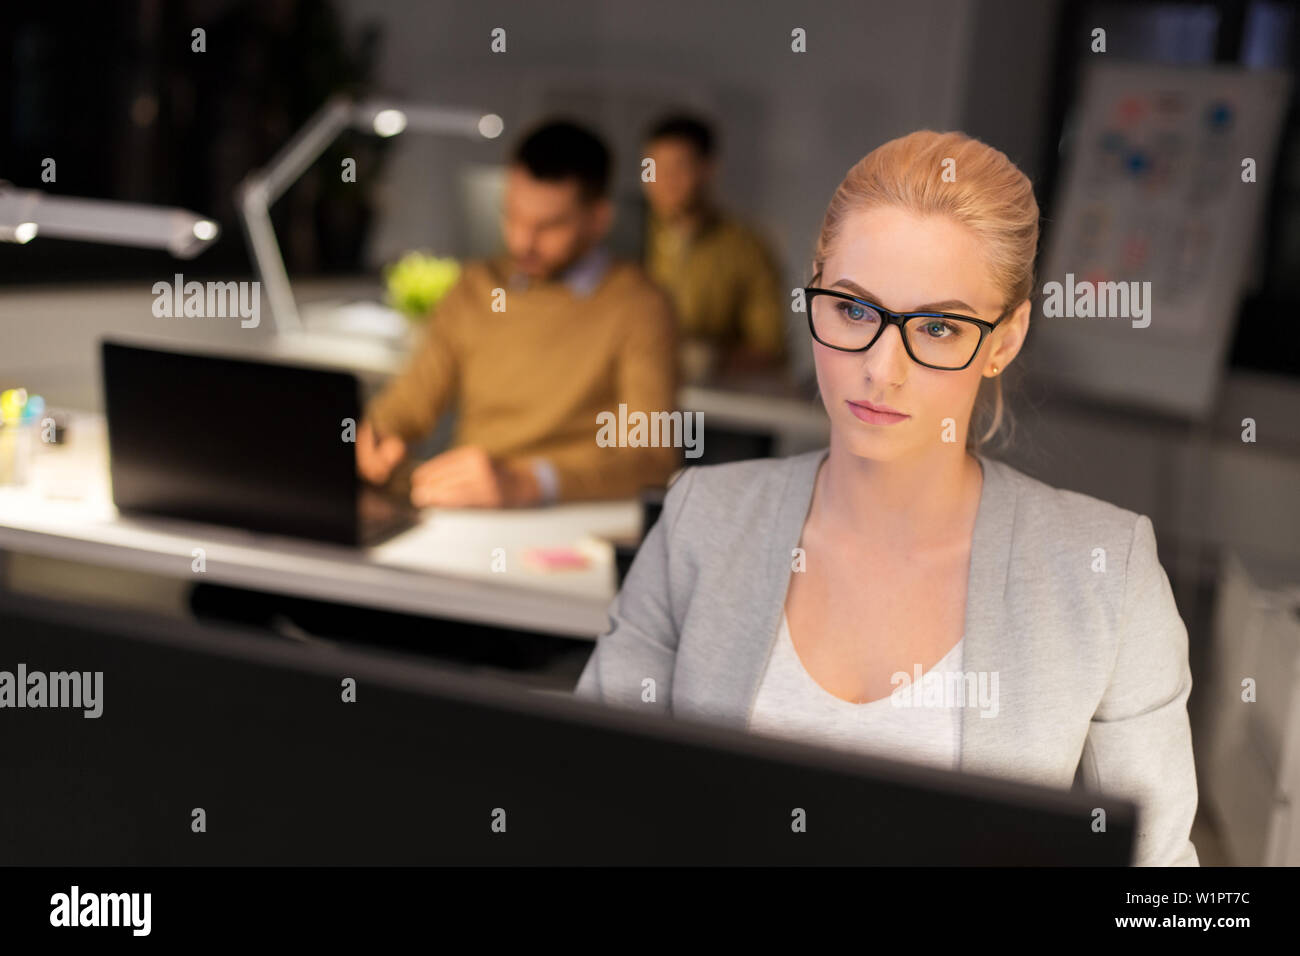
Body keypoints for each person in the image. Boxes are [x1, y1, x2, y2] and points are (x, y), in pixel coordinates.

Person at [576, 130, 1199, 867]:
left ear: (1004, 339)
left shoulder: (1107, 575)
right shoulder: (701, 521)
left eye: (938, 327)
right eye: (854, 310)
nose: (881, 368)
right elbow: (584, 806)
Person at [357, 119, 680, 506]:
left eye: (550, 226)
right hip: (466, 514)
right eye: (512, 215)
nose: (522, 240)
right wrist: (378, 435)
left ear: (598, 220)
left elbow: (651, 456)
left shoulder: (639, 305)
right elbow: (410, 403)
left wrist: (531, 482)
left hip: (571, 521)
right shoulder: (476, 288)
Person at [640, 113, 787, 379]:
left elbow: (770, 345)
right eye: (652, 169)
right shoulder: (625, 235)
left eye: (679, 168)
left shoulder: (745, 247)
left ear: (707, 169)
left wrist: (707, 358)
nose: (664, 181)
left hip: (710, 405)